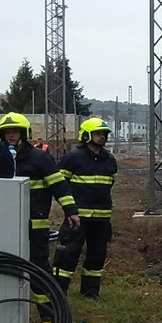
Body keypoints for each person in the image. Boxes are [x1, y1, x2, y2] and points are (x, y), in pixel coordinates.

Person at [0, 112, 80, 320]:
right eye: (7, 132)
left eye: (15, 131)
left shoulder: (39, 157)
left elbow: (58, 185)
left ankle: (50, 316)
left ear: (24, 133)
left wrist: (71, 211)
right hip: (6, 225)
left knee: (39, 271)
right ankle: (5, 317)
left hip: (34, 226)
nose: (11, 135)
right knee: (6, 267)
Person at [54, 117, 118, 299]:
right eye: (98, 134)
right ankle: (59, 291)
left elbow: (109, 183)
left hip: (102, 218)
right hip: (77, 217)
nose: (102, 137)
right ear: (87, 135)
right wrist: (70, 209)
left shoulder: (109, 159)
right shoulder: (73, 158)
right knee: (68, 254)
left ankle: (90, 292)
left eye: (104, 134)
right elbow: (60, 185)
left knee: (97, 256)